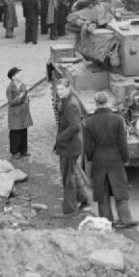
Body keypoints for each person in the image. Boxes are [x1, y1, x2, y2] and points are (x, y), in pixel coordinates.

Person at [82, 91, 138, 228]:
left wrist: (91, 158)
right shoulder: (118, 119)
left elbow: (87, 148)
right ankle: (125, 218)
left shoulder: (88, 123)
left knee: (102, 192)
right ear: (107, 102)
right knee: (120, 190)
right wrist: (125, 158)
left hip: (99, 158)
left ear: (95, 103)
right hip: (115, 157)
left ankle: (106, 221)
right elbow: (122, 142)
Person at [54, 80, 90, 215]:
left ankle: (70, 209)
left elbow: (75, 127)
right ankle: (83, 198)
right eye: (57, 90)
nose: (58, 92)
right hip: (69, 145)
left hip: (70, 146)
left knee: (68, 178)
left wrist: (60, 138)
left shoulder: (71, 104)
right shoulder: (67, 101)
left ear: (69, 89)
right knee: (72, 173)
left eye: (61, 89)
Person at [7, 67, 32, 157]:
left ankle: (23, 150)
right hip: (15, 113)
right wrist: (20, 97)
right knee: (15, 133)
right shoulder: (10, 88)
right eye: (18, 74)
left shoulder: (22, 85)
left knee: (23, 131)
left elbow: (25, 96)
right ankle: (14, 151)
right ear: (13, 77)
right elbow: (10, 102)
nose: (20, 75)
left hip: (23, 112)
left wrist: (27, 98)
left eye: (20, 73)